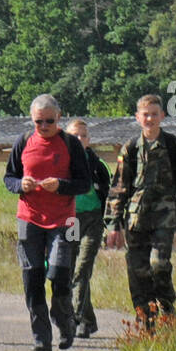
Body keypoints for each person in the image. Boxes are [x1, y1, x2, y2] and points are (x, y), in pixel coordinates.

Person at [3, 96, 91, 351]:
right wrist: (21, 185)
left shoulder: (70, 144)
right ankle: (41, 339)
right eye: (38, 121)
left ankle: (65, 322)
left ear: (59, 117)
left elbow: (84, 183)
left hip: (65, 221)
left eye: (49, 121)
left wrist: (61, 186)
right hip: (28, 219)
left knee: (60, 275)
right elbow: (9, 178)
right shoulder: (23, 142)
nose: (43, 126)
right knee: (32, 279)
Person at [104, 93, 176, 329]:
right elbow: (118, 188)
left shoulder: (174, 146)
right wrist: (113, 225)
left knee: (159, 266)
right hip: (136, 221)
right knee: (138, 272)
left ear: (162, 116)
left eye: (154, 114)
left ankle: (167, 312)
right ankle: (145, 321)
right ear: (138, 118)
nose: (150, 119)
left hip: (165, 220)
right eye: (145, 115)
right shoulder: (131, 148)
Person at [65, 118, 111, 337]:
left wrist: (112, 225)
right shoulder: (60, 162)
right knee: (72, 268)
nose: (79, 139)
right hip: (70, 220)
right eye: (74, 135)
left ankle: (75, 318)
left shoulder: (97, 165)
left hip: (92, 221)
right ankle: (88, 320)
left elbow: (108, 196)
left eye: (83, 135)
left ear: (89, 140)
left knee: (82, 270)